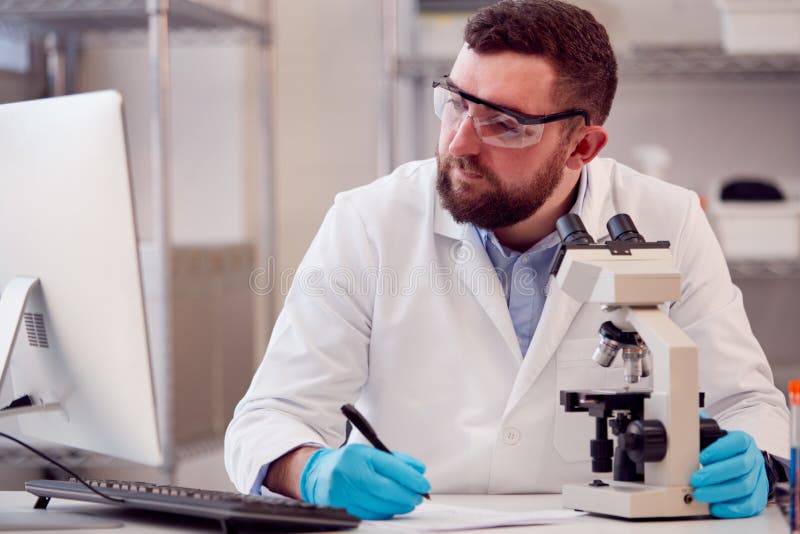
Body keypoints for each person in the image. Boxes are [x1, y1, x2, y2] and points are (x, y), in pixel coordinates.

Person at [225, 0, 789, 521]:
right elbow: (268, 418)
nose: (460, 142)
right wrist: (311, 471)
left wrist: (759, 463)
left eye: (504, 124)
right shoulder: (369, 222)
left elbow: (744, 400)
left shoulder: (668, 219)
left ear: (582, 147)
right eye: (456, 103)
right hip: (421, 528)